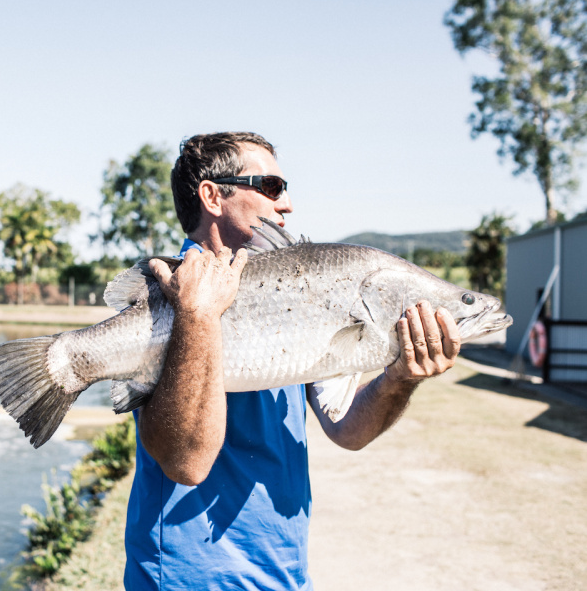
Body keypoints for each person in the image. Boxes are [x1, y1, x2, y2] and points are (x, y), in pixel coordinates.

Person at [123, 132, 462, 590]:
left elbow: (347, 429)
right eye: (271, 187)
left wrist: (399, 378)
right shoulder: (171, 294)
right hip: (189, 578)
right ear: (212, 196)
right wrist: (197, 315)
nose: (286, 205)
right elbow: (186, 463)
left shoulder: (302, 290)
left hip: (283, 575)